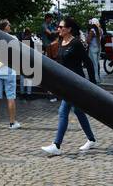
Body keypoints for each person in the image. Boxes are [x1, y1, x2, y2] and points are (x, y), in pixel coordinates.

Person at [40, 17, 98, 156]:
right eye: (58, 27)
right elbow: (60, 65)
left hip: (76, 83)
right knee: (78, 111)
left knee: (63, 111)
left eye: (61, 27)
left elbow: (88, 62)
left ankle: (57, 145)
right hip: (65, 83)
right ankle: (91, 139)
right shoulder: (61, 41)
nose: (58, 29)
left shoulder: (76, 43)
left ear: (69, 29)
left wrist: (93, 83)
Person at [0, 19, 22, 130]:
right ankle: (12, 123)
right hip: (9, 70)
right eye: (8, 24)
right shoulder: (14, 38)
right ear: (5, 27)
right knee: (11, 97)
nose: (10, 25)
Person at [86, 19, 103, 83]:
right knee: (97, 63)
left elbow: (88, 40)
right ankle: (98, 77)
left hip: (92, 48)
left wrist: (86, 39)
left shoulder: (92, 30)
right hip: (99, 48)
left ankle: (95, 78)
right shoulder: (101, 30)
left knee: (93, 64)